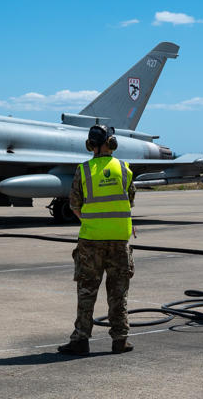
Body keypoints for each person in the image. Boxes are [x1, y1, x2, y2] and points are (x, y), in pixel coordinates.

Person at [58, 125, 136, 356]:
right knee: (118, 292)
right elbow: (130, 200)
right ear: (111, 143)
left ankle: (81, 340)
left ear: (90, 145)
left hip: (91, 240)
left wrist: (91, 220)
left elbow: (74, 204)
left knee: (86, 291)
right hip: (120, 240)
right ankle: (120, 340)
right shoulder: (124, 168)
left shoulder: (83, 170)